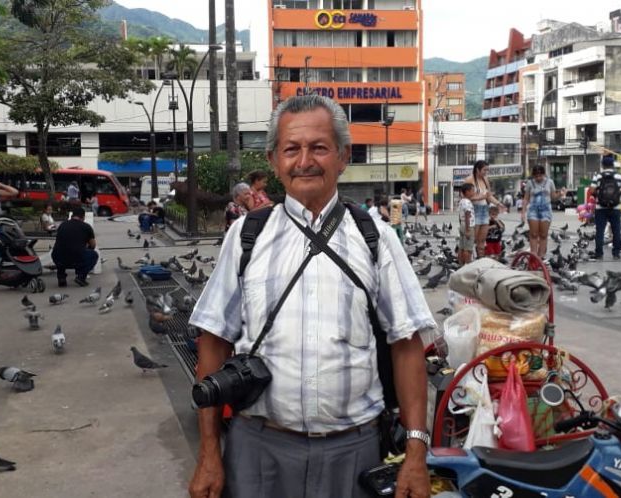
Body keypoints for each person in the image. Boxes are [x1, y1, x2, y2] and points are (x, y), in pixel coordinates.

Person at [188, 94, 435, 498]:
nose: (304, 160)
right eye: (291, 149)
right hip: (257, 448)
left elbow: (407, 347)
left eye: (319, 147)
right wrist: (209, 453)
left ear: (343, 156)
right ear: (273, 160)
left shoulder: (376, 239)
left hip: (354, 449)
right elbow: (213, 342)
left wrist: (415, 455)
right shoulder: (246, 236)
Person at [588, 156, 621, 260]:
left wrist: (599, 194)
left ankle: (599, 253)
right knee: (616, 230)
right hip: (616, 207)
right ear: (613, 164)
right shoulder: (619, 176)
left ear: (602, 165)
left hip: (600, 207)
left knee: (600, 231)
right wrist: (617, 193)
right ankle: (616, 253)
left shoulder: (598, 176)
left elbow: (592, 190)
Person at [462, 160, 503, 257]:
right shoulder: (469, 180)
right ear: (477, 169)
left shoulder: (485, 180)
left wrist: (498, 203)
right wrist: (482, 197)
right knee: (472, 239)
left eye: (487, 170)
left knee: (482, 240)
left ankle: (480, 259)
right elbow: (466, 197)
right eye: (484, 170)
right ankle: (468, 261)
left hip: (484, 210)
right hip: (474, 210)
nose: (486, 172)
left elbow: (488, 195)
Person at [51, 207, 98, 287]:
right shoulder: (86, 227)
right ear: (83, 217)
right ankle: (81, 277)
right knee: (94, 255)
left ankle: (61, 277)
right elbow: (93, 245)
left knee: (61, 250)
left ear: (72, 215)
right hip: (76, 259)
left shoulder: (63, 225)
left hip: (58, 258)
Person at [520, 165, 558, 259]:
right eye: (536, 176)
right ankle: (534, 257)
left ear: (544, 174)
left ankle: (541, 258)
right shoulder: (529, 183)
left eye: (540, 175)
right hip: (533, 211)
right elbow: (526, 198)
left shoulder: (550, 182)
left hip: (546, 211)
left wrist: (560, 194)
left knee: (544, 235)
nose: (538, 178)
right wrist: (523, 212)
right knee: (533, 234)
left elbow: (553, 197)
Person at [457, 184, 475, 264]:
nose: (473, 192)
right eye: (472, 190)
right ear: (467, 192)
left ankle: (461, 264)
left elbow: (460, 216)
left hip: (462, 225)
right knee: (468, 249)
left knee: (462, 247)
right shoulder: (468, 202)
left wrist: (462, 226)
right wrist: (467, 230)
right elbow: (468, 215)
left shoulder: (462, 201)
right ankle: (467, 265)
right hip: (468, 226)